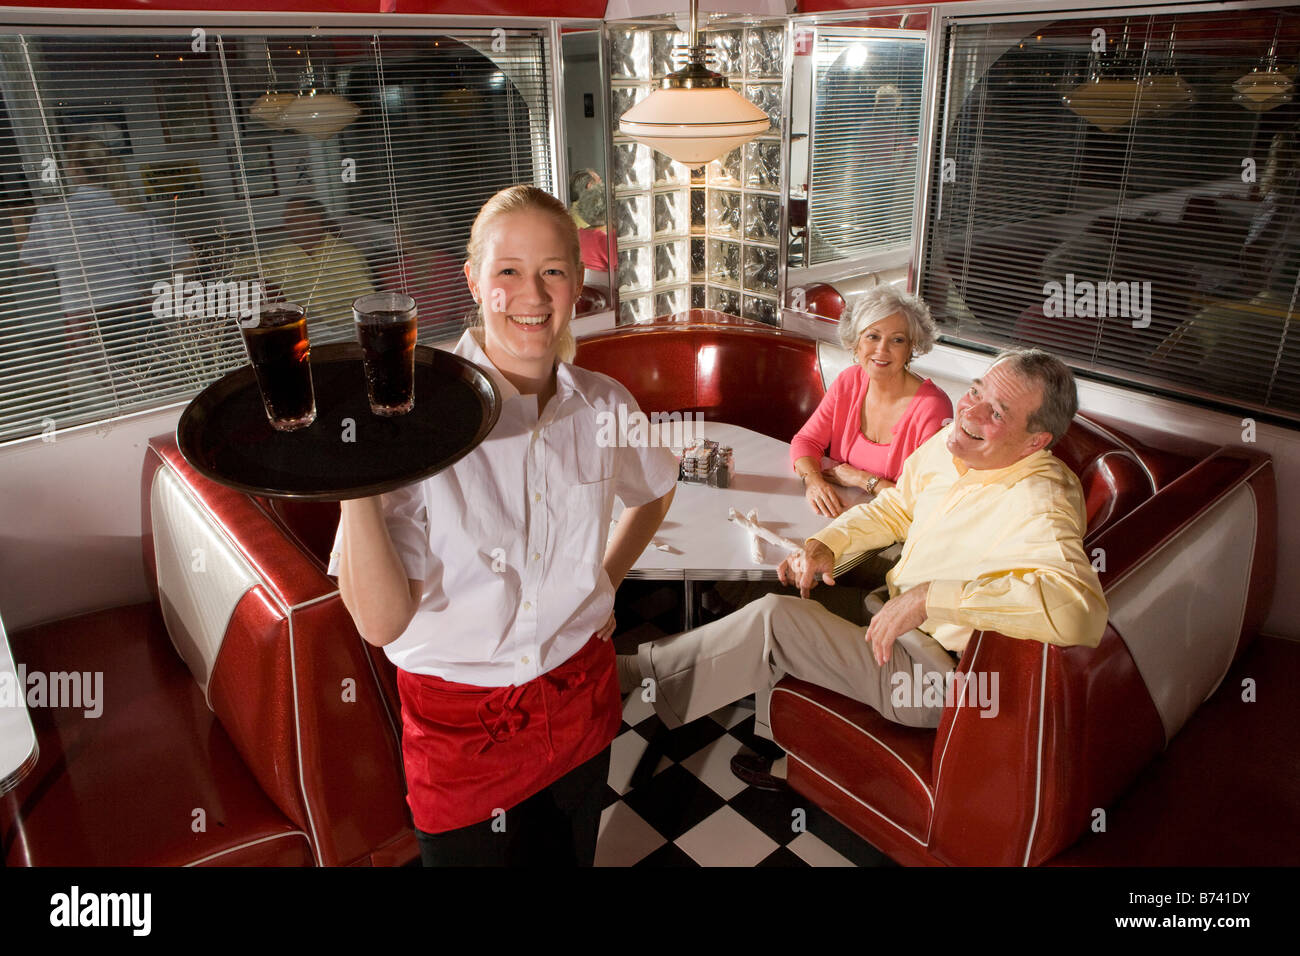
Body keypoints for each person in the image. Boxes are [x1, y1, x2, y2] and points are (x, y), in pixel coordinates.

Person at [330, 184, 676, 866]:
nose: (533, 295)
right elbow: (379, 624)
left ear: (579, 282)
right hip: (463, 736)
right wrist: (352, 481)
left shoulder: (603, 404)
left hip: (578, 700)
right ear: (474, 281)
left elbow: (655, 490)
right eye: (509, 271)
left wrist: (604, 580)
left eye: (553, 270)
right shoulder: (416, 422)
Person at [623, 347, 1108, 790]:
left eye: (996, 413)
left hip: (933, 674)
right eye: (976, 391)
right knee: (788, 587)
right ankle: (790, 756)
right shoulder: (951, 444)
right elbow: (897, 508)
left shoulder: (1043, 500)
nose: (971, 411)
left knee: (776, 618)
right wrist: (825, 545)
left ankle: (628, 678)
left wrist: (929, 598)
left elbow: (1081, 612)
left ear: (1034, 441)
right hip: (888, 612)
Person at [20, 135, 193, 371]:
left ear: (72, 169)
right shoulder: (133, 209)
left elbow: (34, 269)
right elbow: (186, 258)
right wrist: (167, 298)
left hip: (89, 319)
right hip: (139, 313)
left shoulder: (53, 214)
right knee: (156, 382)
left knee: (112, 395)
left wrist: (16, 220)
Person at [791, 285, 952, 518]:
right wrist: (813, 481)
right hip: (838, 516)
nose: (882, 349)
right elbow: (806, 441)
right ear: (856, 343)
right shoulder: (849, 381)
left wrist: (862, 479)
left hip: (895, 528)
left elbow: (927, 499)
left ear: (910, 348)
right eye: (872, 336)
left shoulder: (933, 407)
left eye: (897, 340)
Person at [241, 197, 373, 333]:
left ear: (314, 218)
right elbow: (239, 267)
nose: (286, 223)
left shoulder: (348, 254)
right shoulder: (280, 256)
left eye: (292, 217)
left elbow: (367, 302)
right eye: (285, 218)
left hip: (352, 328)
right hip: (310, 331)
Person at [376, 204, 473, 335]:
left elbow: (465, 317)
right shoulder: (396, 271)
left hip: (447, 340)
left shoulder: (454, 269)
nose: (396, 235)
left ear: (411, 235)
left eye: (400, 230)